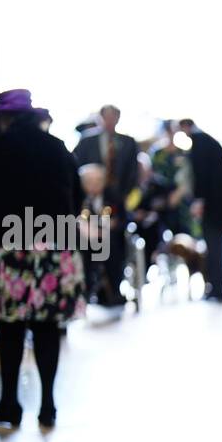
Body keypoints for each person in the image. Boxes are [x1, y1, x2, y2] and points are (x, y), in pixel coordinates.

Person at [0, 89, 86, 429]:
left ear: (5, 118)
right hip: (54, 250)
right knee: (48, 328)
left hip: (8, 251)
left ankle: (10, 402)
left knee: (11, 329)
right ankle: (48, 405)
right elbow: (75, 199)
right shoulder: (57, 147)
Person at [73, 105, 138, 306]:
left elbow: (132, 175)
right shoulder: (86, 141)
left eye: (114, 117)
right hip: (87, 215)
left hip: (114, 205)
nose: (110, 121)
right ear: (101, 118)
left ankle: (114, 288)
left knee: (113, 241)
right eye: (106, 117)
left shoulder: (127, 143)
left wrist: (120, 206)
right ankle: (86, 287)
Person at [178, 118, 222, 301]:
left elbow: (202, 176)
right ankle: (216, 286)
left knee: (215, 248)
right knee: (216, 247)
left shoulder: (200, 143)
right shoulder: (206, 141)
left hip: (215, 208)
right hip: (219, 205)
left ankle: (217, 287)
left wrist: (199, 201)